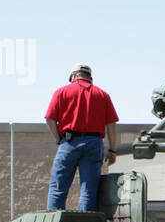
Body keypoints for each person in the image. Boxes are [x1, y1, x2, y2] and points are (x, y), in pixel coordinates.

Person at [44, 63, 119, 212]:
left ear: (73, 76)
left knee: (58, 188)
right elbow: (111, 125)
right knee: (88, 191)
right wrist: (112, 150)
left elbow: (49, 119)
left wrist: (59, 139)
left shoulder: (61, 92)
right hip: (94, 143)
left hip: (69, 142)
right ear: (90, 77)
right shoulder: (103, 95)